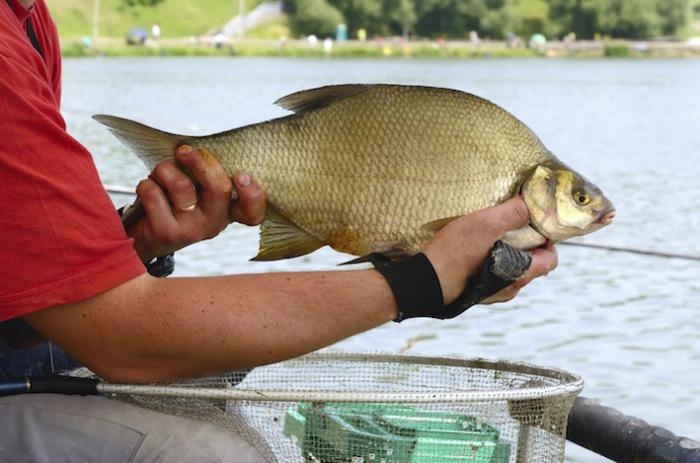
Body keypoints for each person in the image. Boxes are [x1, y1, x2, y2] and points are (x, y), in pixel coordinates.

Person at [0, 0, 558, 461]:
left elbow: (32, 310)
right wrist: (423, 282)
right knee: (215, 454)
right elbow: (121, 340)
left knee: (222, 373)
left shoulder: (32, 21)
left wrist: (134, 245)